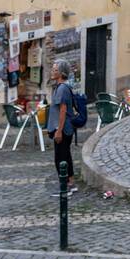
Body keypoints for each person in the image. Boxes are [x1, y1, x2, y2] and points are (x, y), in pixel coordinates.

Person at [47, 60, 77, 196]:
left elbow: (63, 111)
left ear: (61, 73)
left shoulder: (62, 89)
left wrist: (58, 130)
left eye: (55, 70)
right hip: (65, 129)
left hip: (63, 130)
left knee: (60, 158)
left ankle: (66, 187)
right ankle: (71, 183)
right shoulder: (61, 87)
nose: (52, 72)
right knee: (65, 155)